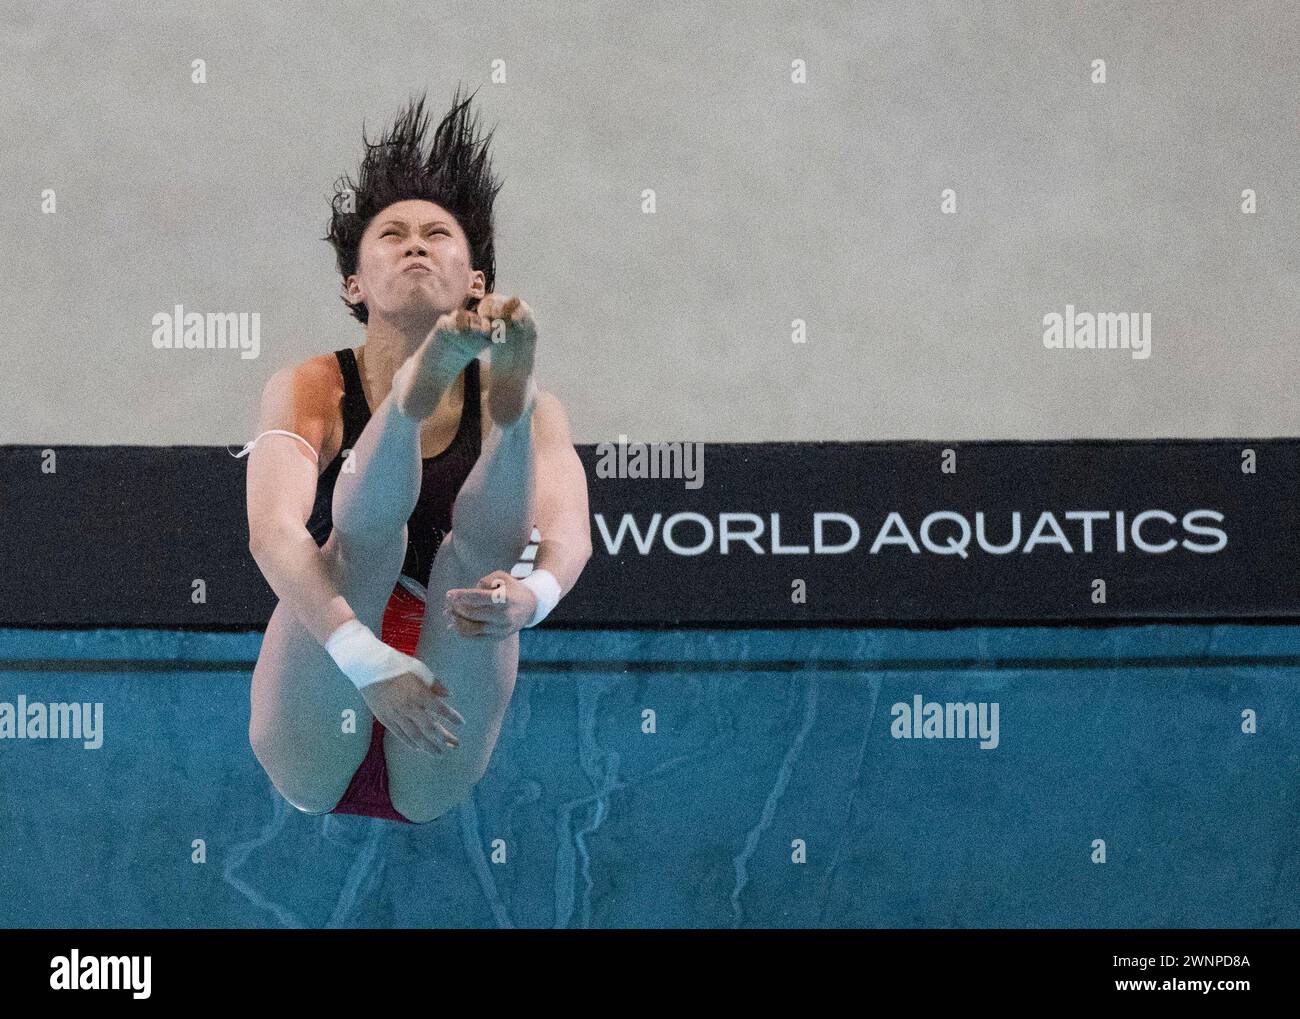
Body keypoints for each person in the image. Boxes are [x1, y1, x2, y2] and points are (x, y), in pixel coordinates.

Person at [240, 87, 591, 824]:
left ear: (475, 284)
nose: (416, 242)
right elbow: (272, 533)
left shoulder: (548, 406)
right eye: (392, 234)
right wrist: (367, 662)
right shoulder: (311, 387)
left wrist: (530, 599)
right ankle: (407, 401)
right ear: (354, 283)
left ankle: (507, 414)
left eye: (438, 234)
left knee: (485, 562)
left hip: (445, 697)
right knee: (360, 545)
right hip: (324, 681)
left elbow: (567, 538)